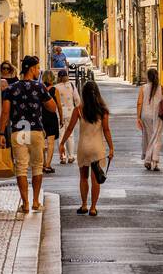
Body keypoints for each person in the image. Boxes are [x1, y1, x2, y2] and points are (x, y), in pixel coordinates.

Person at [0, 55, 58, 214]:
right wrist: (42, 101)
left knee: (21, 168)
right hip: (35, 131)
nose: (38, 71)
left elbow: (5, 112)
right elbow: (52, 107)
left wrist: (1, 133)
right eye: (37, 68)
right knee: (37, 166)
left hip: (19, 131)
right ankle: (36, 201)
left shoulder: (12, 88)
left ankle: (25, 203)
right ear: (31, 69)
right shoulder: (39, 87)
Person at [60, 79, 114, 216]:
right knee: (96, 179)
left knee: (83, 177)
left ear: (83, 94)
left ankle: (84, 205)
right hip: (97, 148)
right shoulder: (103, 111)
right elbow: (106, 130)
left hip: (83, 147)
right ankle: (93, 208)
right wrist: (111, 148)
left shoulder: (78, 110)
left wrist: (61, 143)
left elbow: (70, 128)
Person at [136, 67, 163, 171]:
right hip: (159, 116)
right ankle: (154, 161)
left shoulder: (143, 88)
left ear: (148, 77)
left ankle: (147, 160)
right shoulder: (162, 88)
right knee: (156, 138)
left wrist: (138, 117)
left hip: (146, 115)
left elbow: (139, 103)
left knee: (148, 137)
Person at [54, 68, 80, 163]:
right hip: (70, 113)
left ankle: (63, 156)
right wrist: (78, 111)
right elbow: (77, 99)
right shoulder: (72, 86)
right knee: (70, 135)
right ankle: (71, 156)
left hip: (59, 113)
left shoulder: (55, 87)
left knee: (61, 135)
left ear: (59, 77)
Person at [42, 69, 60, 173]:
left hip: (42, 117)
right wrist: (61, 118)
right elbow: (59, 106)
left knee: (42, 143)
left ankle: (43, 164)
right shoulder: (54, 90)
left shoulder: (40, 89)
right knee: (50, 143)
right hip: (52, 117)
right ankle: (48, 165)